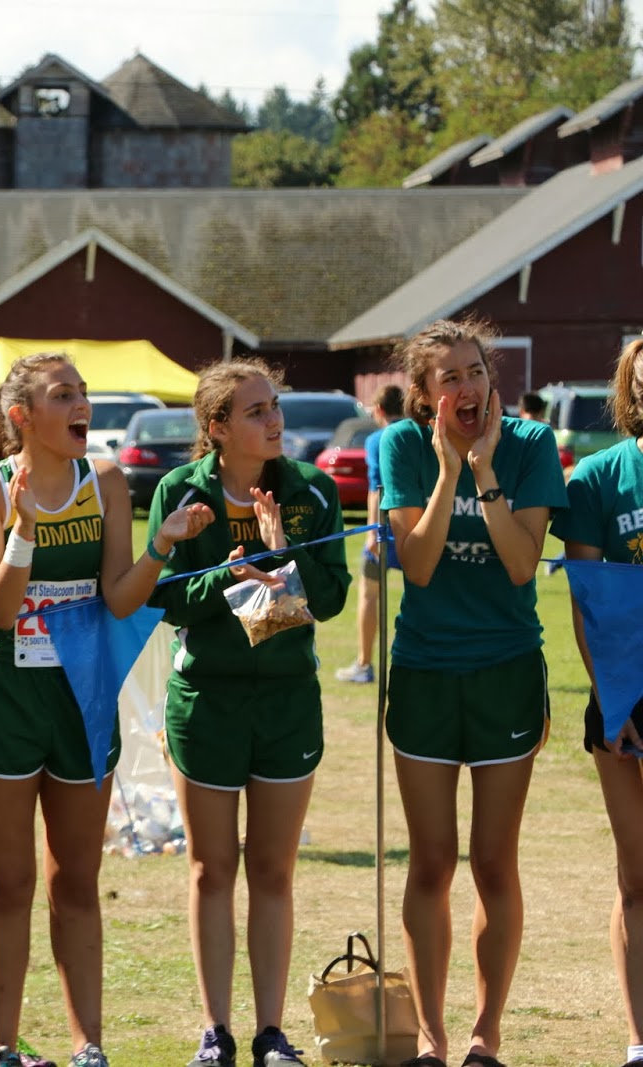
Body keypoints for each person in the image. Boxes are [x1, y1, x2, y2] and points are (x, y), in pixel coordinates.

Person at [0, 352, 213, 1067]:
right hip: (2, 698)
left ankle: (87, 1044)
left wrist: (161, 545)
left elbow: (121, 597)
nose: (81, 405)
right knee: (8, 882)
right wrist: (25, 529)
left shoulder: (103, 480)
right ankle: (0, 1045)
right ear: (20, 415)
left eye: (83, 393)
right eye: (62, 394)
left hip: (80, 698)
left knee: (76, 880)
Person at [146, 359, 350, 1067]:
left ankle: (270, 1032)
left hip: (288, 702)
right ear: (217, 427)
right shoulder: (179, 490)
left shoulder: (312, 490)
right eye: (256, 411)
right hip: (207, 701)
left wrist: (279, 556)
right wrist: (225, 582)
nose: (275, 421)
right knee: (210, 869)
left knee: (272, 869)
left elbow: (329, 601)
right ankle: (215, 1032)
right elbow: (163, 596)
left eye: (274, 406)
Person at [380, 317, 566, 1067]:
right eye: (449, 377)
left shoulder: (529, 447)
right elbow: (417, 566)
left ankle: (487, 1032)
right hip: (425, 675)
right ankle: (431, 1035)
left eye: (476, 371)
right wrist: (450, 471)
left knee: (494, 861)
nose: (468, 387)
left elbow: (523, 565)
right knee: (431, 862)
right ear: (426, 396)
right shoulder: (401, 448)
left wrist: (486, 471)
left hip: (506, 674)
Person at [550, 338, 643, 1067]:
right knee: (636, 876)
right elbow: (586, 606)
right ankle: (641, 1037)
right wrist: (617, 699)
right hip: (622, 692)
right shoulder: (597, 480)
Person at [335, 384, 405, 684]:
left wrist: (372, 532)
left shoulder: (379, 439)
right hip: (420, 526)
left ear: (379, 411)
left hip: (388, 529)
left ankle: (365, 664)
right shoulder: (421, 434)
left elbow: (377, 488)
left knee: (368, 593)